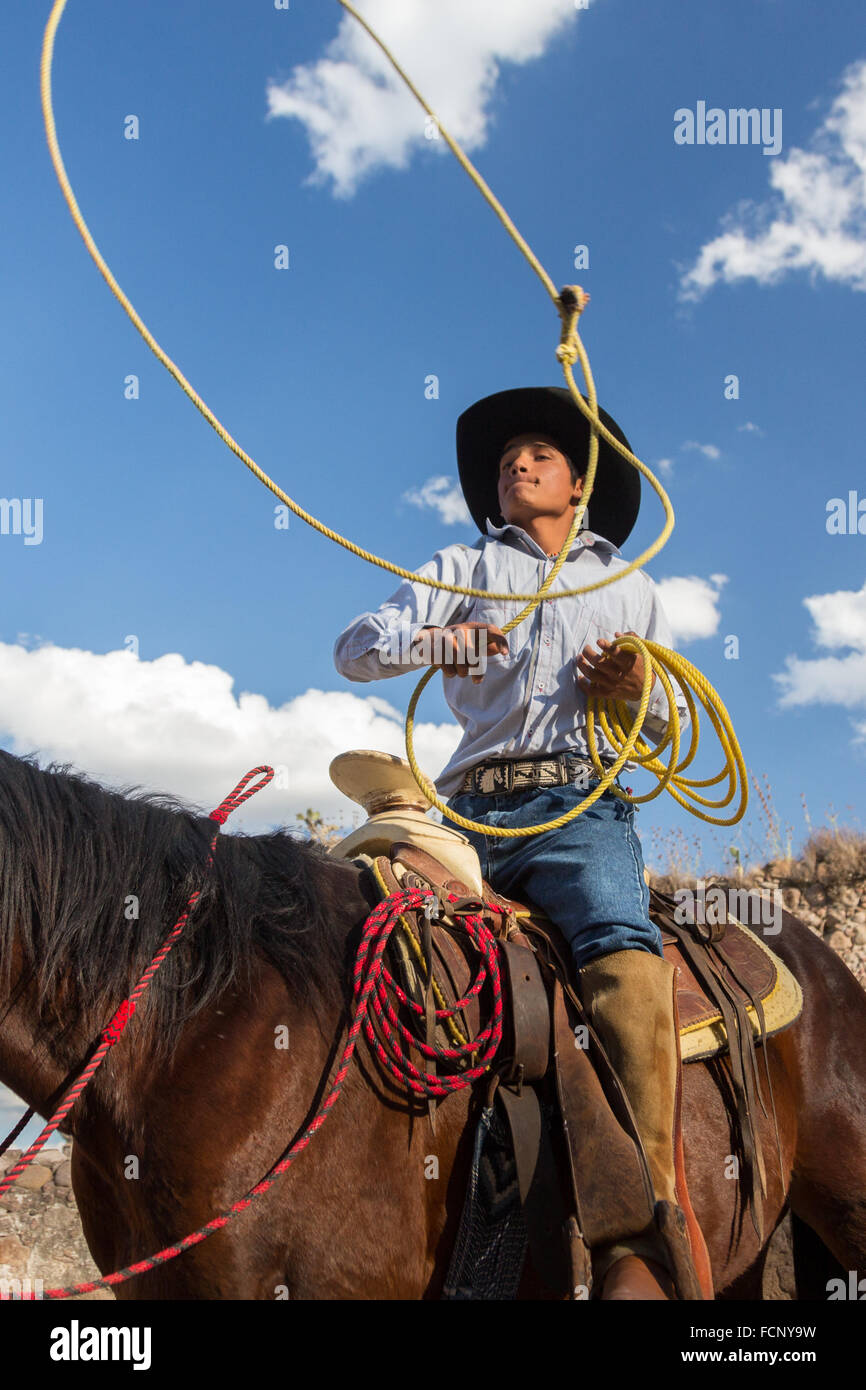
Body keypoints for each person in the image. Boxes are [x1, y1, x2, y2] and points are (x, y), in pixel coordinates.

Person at [333, 385, 712, 1300]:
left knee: (620, 944)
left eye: (537, 456)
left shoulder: (630, 586)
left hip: (578, 804)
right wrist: (439, 639)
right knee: (359, 928)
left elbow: (667, 723)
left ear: (577, 485)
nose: (516, 466)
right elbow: (354, 647)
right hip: (461, 811)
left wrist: (630, 689)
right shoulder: (459, 564)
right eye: (507, 462)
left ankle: (640, 1227)